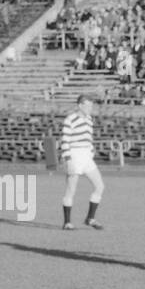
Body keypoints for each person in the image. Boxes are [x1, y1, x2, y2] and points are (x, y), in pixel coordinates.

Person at [60, 95, 105, 230]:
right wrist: (68, 160)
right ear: (80, 105)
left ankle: (90, 218)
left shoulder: (89, 119)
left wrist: (91, 151)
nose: (91, 108)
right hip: (74, 155)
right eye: (88, 105)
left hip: (86, 156)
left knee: (100, 186)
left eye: (91, 106)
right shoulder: (70, 119)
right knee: (71, 190)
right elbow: (65, 141)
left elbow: (89, 138)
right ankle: (67, 222)